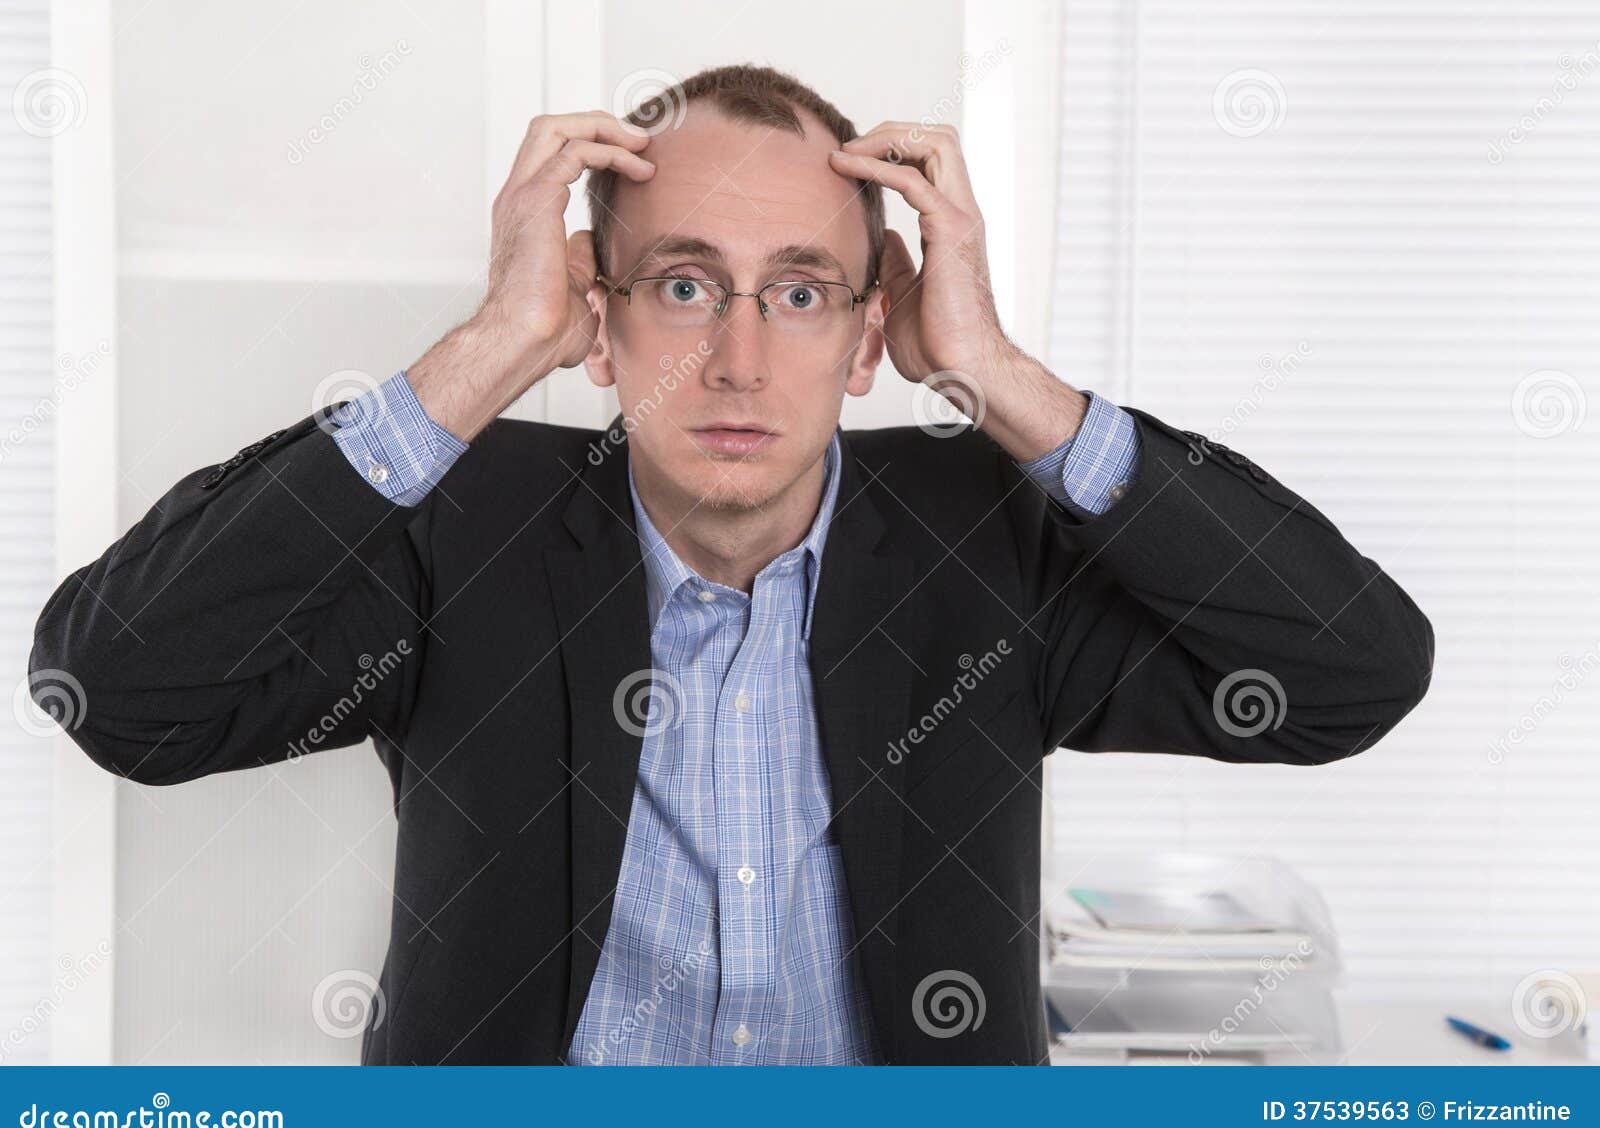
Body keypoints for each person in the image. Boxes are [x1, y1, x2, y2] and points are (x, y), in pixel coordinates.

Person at [28, 64, 1433, 1065]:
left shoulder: (981, 542)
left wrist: (1001, 377)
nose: (741, 360)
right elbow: (124, 687)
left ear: (873, 333)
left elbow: (1349, 671)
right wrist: (481, 355)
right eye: (685, 286)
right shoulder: (476, 524)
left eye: (804, 293)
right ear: (600, 317)